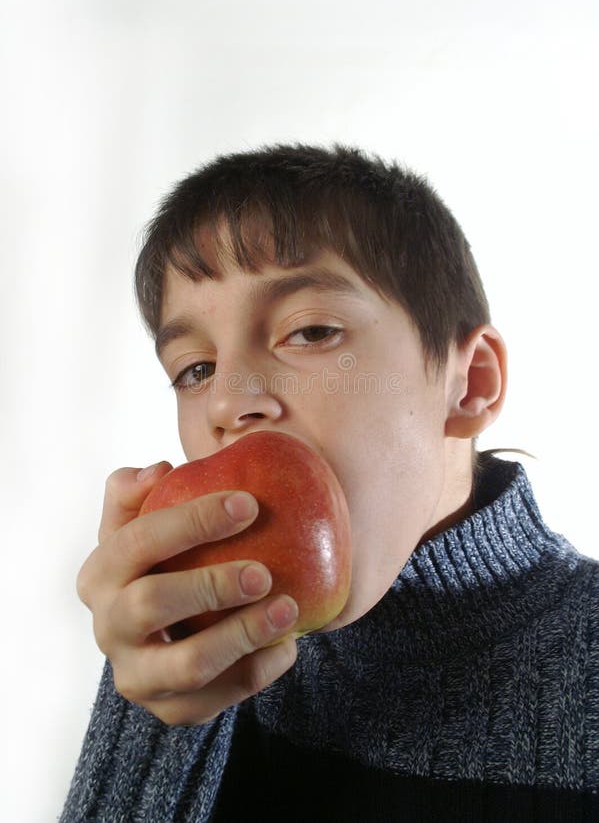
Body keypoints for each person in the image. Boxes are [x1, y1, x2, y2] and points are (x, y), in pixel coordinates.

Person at [61, 143, 599, 822]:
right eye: (195, 369)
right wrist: (156, 702)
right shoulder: (207, 645)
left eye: (311, 331)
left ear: (470, 383)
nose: (226, 401)